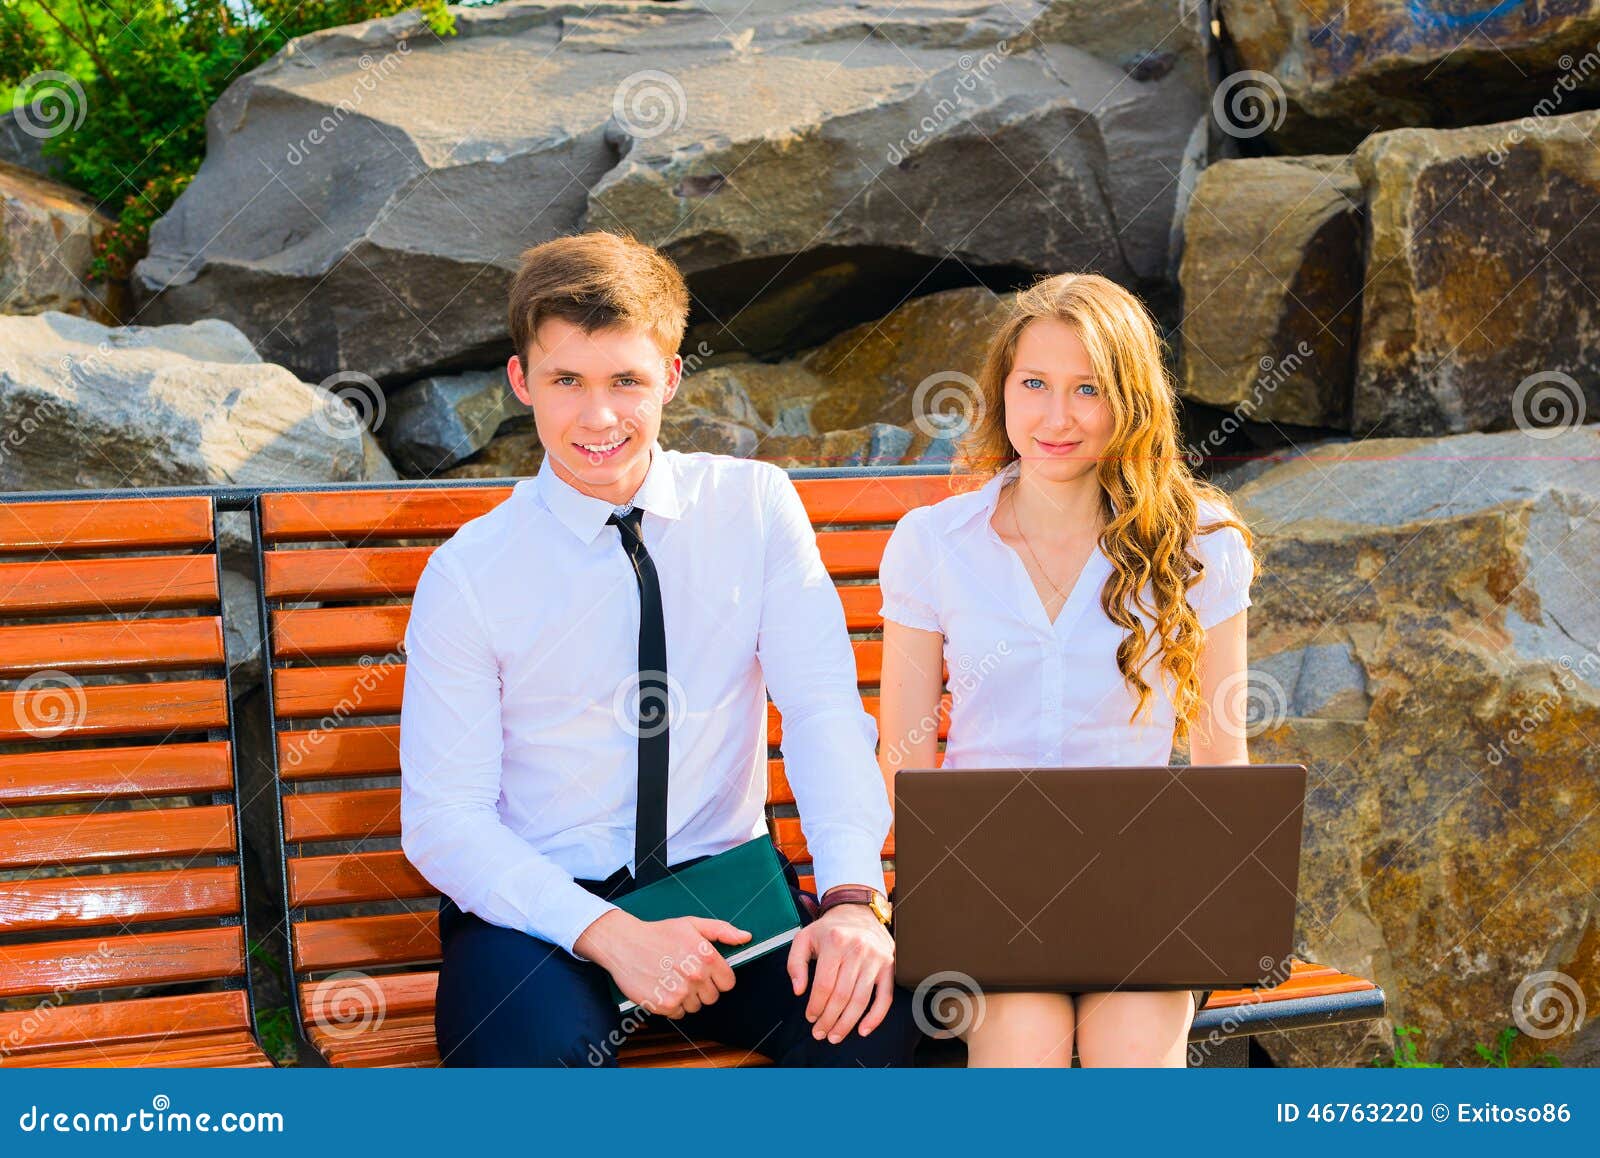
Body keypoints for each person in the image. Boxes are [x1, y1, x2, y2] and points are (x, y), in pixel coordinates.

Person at [399, 230, 922, 1067]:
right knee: (522, 1073)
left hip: (728, 897)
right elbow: (443, 820)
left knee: (883, 1026)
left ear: (672, 378)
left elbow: (822, 710)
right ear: (522, 380)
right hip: (544, 918)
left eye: (627, 381)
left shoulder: (754, 508)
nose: (598, 417)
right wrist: (610, 933)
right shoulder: (469, 572)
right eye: (566, 380)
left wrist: (853, 899)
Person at [875, 272, 1258, 1067]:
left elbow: (1222, 759)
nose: (1056, 417)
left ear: (1131, 401)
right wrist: (895, 897)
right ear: (1002, 389)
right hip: (982, 890)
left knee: (1135, 1045)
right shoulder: (934, 542)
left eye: (1088, 389)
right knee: (1023, 1038)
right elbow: (903, 757)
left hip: (1141, 893)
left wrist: (1215, 914)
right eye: (1035, 384)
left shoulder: (1200, 542)